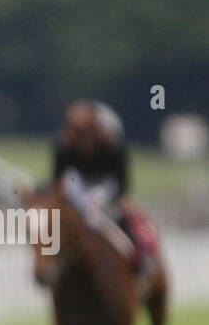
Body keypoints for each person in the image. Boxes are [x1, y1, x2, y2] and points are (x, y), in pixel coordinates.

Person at [52, 99, 158, 277]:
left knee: (126, 219)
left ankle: (140, 258)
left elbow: (121, 183)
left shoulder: (113, 146)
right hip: (78, 185)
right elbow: (58, 180)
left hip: (106, 187)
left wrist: (116, 199)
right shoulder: (63, 146)